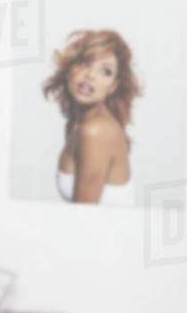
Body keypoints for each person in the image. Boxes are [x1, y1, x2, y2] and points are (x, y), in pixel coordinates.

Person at [42, 29, 141, 206]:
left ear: (113, 86)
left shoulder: (96, 131)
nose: (90, 75)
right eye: (84, 63)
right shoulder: (77, 124)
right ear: (69, 69)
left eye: (105, 71)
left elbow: (84, 218)